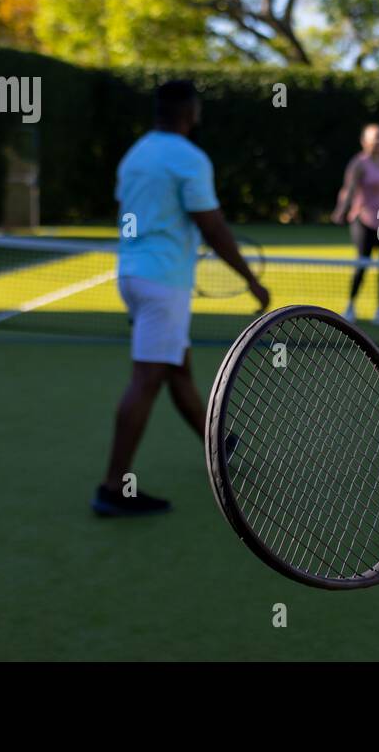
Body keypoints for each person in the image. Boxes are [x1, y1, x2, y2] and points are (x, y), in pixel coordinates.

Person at [95, 79, 269, 517]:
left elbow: (128, 213)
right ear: (191, 113)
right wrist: (250, 279)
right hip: (163, 284)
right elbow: (212, 225)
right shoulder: (189, 159)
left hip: (132, 277)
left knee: (178, 371)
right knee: (147, 378)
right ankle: (113, 487)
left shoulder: (135, 154)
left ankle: (217, 446)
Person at [333, 123, 379, 327]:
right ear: (364, 141)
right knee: (362, 265)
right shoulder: (359, 163)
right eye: (374, 137)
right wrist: (341, 210)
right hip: (364, 222)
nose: (378, 141)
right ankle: (350, 307)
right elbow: (349, 189)